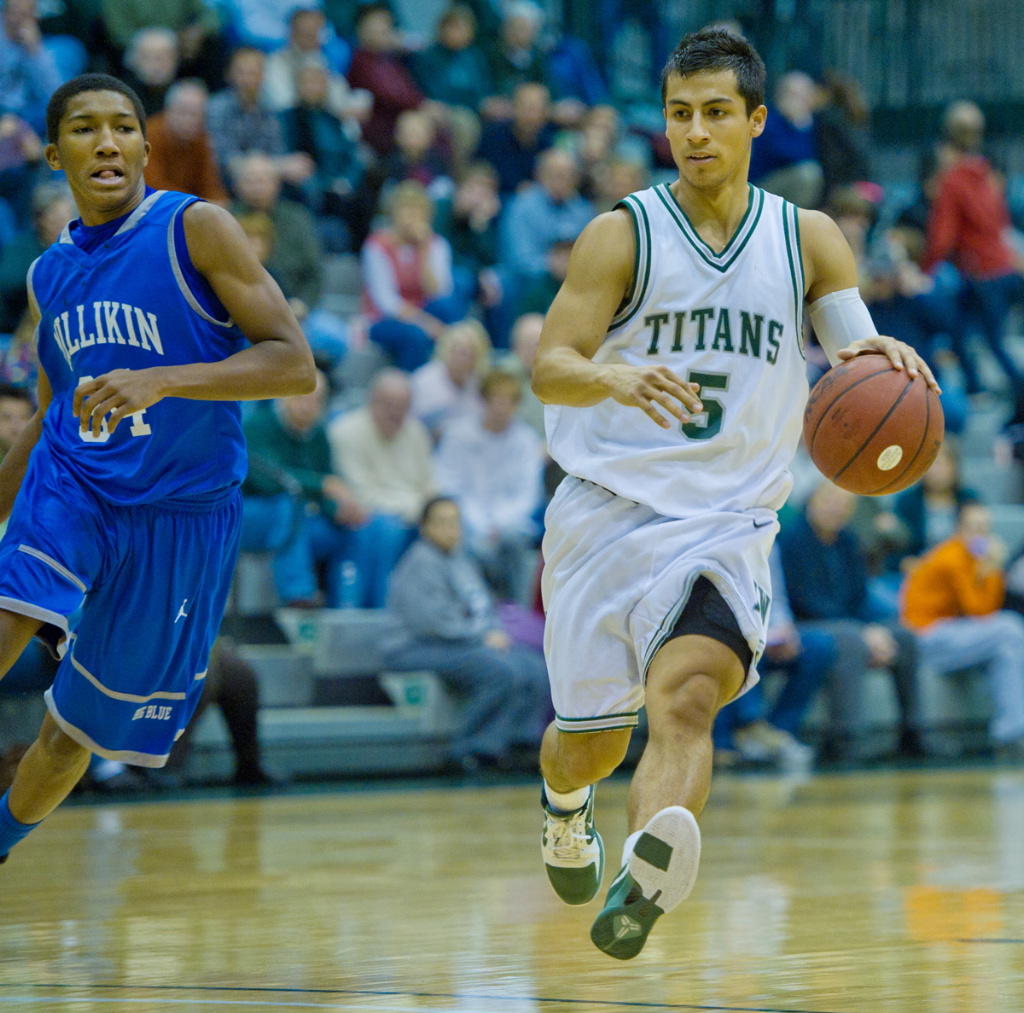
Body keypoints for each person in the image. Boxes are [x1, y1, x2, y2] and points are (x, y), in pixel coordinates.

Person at [531, 28, 937, 959]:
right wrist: (612, 380)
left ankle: (643, 865)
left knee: (686, 700)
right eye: (680, 114)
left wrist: (887, 362)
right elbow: (552, 365)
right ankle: (565, 805)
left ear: (757, 120)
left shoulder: (807, 239)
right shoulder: (620, 234)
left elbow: (852, 355)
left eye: (717, 113)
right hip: (606, 512)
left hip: (727, 520)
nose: (696, 132)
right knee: (587, 743)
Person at [0, 73, 315, 866]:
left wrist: (165, 376)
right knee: (7, 614)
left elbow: (293, 362)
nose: (106, 141)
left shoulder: (195, 227)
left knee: (73, 739)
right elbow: (47, 415)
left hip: (181, 513)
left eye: (122, 126)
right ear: (53, 153)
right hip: (77, 482)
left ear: (145, 145)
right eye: (84, 128)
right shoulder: (49, 275)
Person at [381, 496, 549, 771]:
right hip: (413, 646)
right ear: (424, 528)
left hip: (457, 643)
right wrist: (482, 637)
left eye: (454, 522)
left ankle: (517, 742)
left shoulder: (461, 560)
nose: (450, 530)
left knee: (531, 666)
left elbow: (482, 606)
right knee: (501, 671)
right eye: (441, 523)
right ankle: (468, 748)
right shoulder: (420, 561)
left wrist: (493, 630)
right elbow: (434, 623)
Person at [778, 481, 926, 761]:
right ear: (811, 503)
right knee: (852, 639)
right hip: (803, 623)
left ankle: (912, 734)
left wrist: (876, 629)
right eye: (830, 501)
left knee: (904, 635)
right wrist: (864, 631)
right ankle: (842, 740)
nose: (837, 509)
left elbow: (859, 596)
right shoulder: (792, 540)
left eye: (844, 504)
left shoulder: (848, 540)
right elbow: (805, 601)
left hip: (846, 621)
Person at [901, 501, 1024, 759]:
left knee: (1005, 651)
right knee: (1009, 627)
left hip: (951, 633)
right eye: (973, 527)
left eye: (985, 528)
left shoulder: (970, 557)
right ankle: (1011, 732)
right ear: (959, 529)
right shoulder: (953, 557)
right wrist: (993, 569)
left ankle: (1010, 736)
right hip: (925, 635)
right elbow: (981, 611)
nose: (980, 534)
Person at [922, 100, 1024, 395]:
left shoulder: (952, 180)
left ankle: (1015, 391)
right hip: (1000, 269)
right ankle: (976, 387)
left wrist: (924, 271)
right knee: (958, 327)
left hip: (982, 274)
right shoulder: (988, 175)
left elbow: (942, 238)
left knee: (993, 342)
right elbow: (1001, 225)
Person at [435, 368, 544, 604]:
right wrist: (480, 524)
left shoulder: (525, 440)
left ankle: (517, 613)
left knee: (514, 542)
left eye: (508, 402)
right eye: (497, 400)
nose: (502, 408)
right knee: (465, 545)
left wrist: (499, 523)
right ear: (483, 401)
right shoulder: (457, 435)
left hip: (511, 525)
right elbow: (451, 486)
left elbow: (527, 495)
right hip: (466, 522)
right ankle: (473, 612)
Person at [327, 369, 435, 605]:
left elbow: (429, 484)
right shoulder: (345, 431)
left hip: (412, 513)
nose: (396, 412)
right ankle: (378, 609)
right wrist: (414, 510)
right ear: (372, 401)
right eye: (389, 404)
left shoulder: (416, 431)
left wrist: (429, 512)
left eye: (403, 406)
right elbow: (362, 492)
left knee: (453, 526)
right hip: (367, 514)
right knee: (383, 527)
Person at [144, 80, 228, 204]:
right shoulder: (150, 135)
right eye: (184, 112)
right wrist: (199, 203)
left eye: (197, 114)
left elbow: (210, 186)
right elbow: (153, 189)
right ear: (168, 111)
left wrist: (220, 204)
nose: (190, 120)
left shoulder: (200, 139)